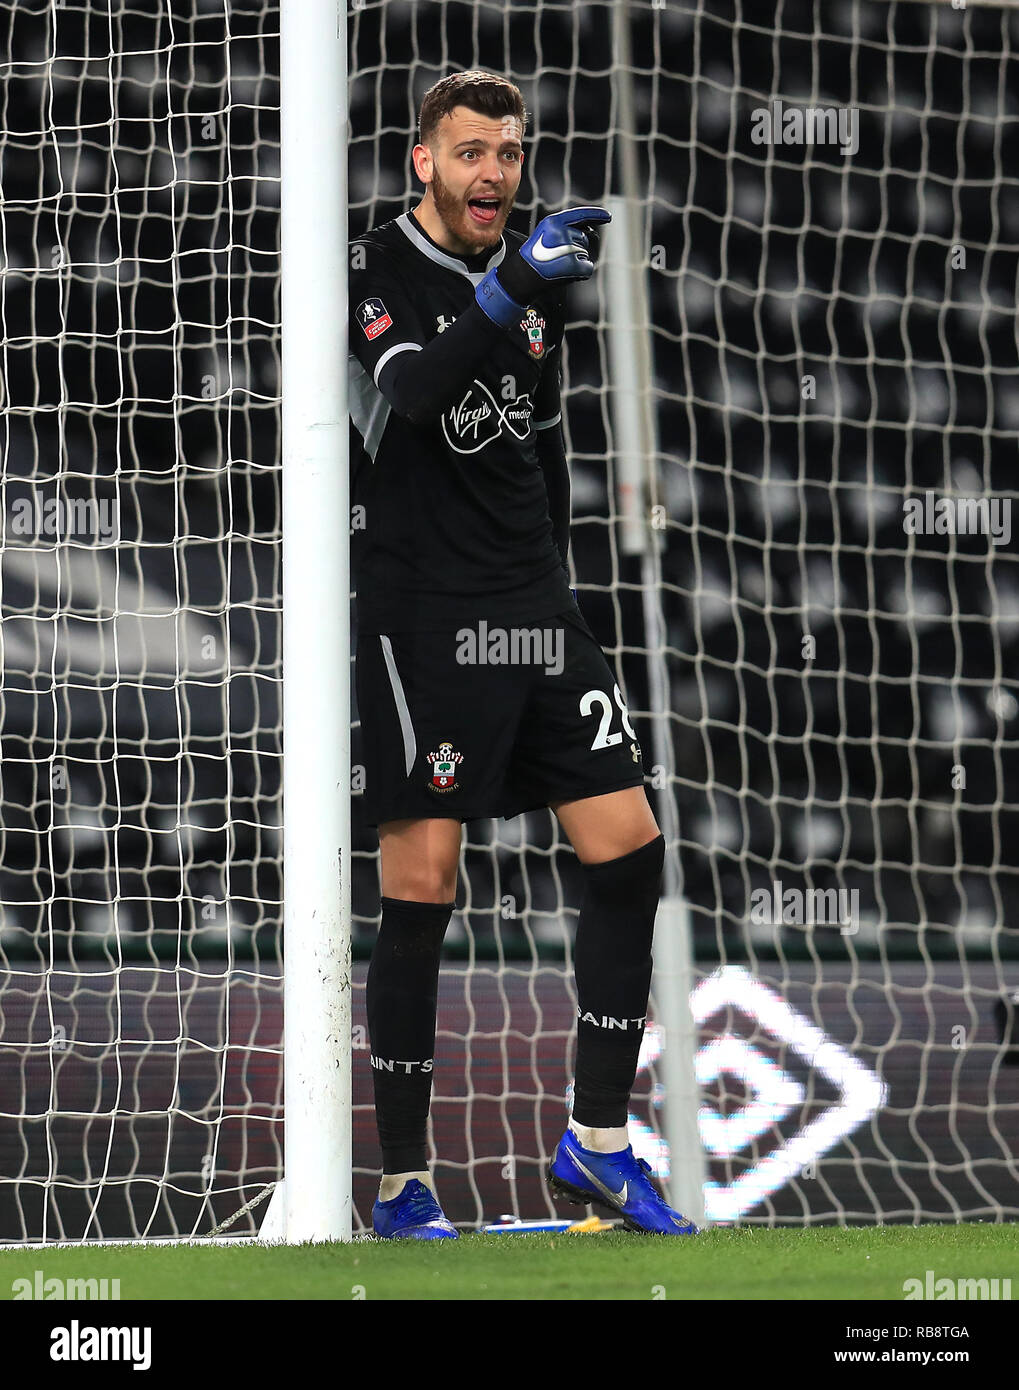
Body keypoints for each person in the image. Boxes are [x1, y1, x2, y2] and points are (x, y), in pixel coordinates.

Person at [348, 69, 698, 1239]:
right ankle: (402, 1179)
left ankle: (596, 1144)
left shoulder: (536, 276)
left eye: (507, 150)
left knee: (628, 848)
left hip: (532, 608)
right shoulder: (374, 270)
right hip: (421, 611)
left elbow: (541, 445)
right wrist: (511, 283)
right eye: (469, 152)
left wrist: (555, 588)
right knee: (422, 883)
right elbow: (411, 393)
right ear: (421, 161)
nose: (493, 171)